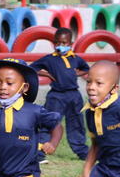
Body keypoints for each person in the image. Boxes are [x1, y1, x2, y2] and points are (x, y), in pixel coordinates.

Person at [31, 27, 89, 162]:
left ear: (70, 43)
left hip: (74, 96)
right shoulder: (49, 59)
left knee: (77, 123)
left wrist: (75, 73)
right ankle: (40, 153)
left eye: (64, 43)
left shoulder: (76, 59)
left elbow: (86, 69)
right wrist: (47, 74)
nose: (60, 46)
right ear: (54, 43)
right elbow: (32, 67)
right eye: (57, 43)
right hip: (56, 97)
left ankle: (82, 152)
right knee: (49, 122)